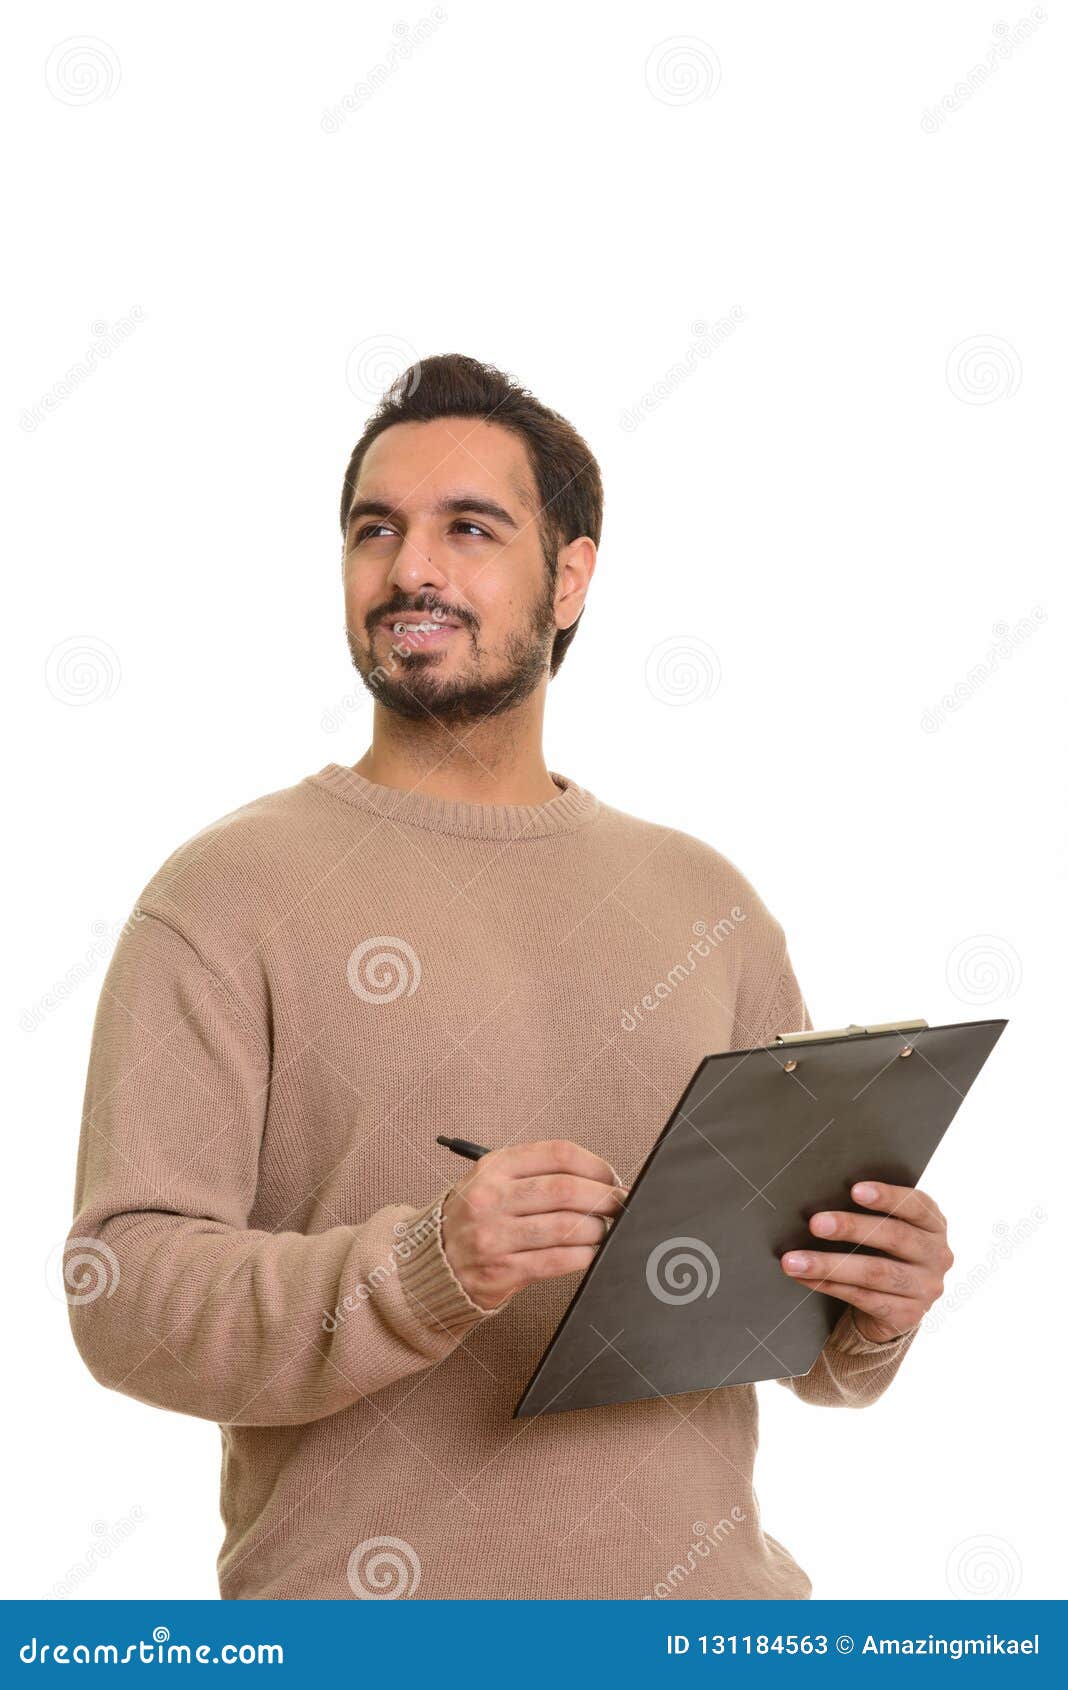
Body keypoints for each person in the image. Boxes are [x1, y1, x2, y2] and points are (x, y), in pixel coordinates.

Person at [65, 353, 953, 1600]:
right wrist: (425, 1267)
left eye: (469, 528)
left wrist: (872, 1301)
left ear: (572, 574)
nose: (410, 569)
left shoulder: (710, 902)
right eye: (377, 529)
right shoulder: (221, 895)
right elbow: (124, 1294)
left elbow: (783, 1317)